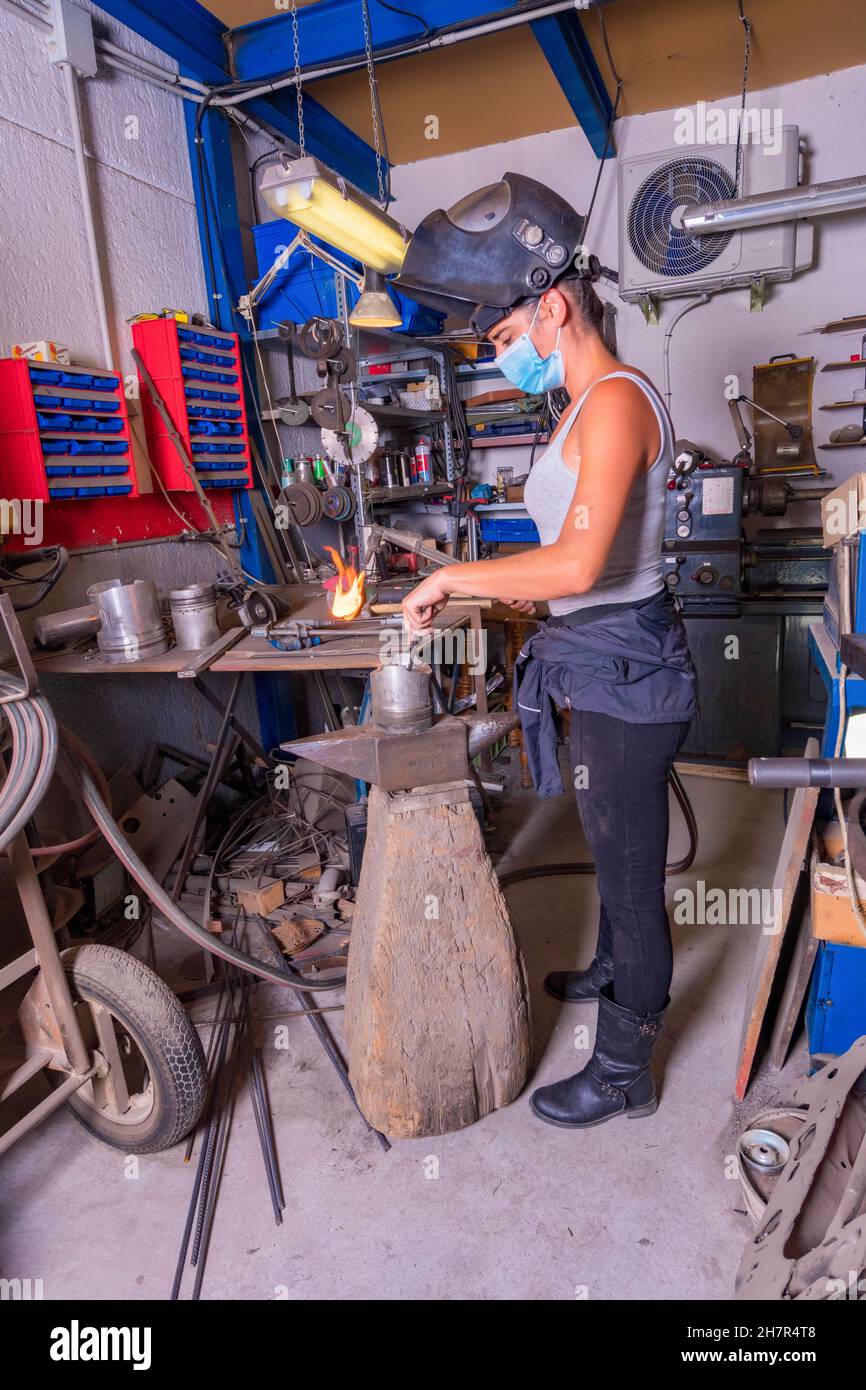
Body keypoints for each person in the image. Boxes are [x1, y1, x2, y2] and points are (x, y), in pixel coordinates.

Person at [397, 173, 698, 1131]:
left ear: (552, 305)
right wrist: (478, 574)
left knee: (632, 881)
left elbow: (573, 565)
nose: (496, 357)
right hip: (601, 664)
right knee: (613, 855)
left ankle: (623, 1070)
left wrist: (456, 578)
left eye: (499, 336)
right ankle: (610, 971)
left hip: (628, 676)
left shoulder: (611, 403)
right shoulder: (580, 405)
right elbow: (568, 558)